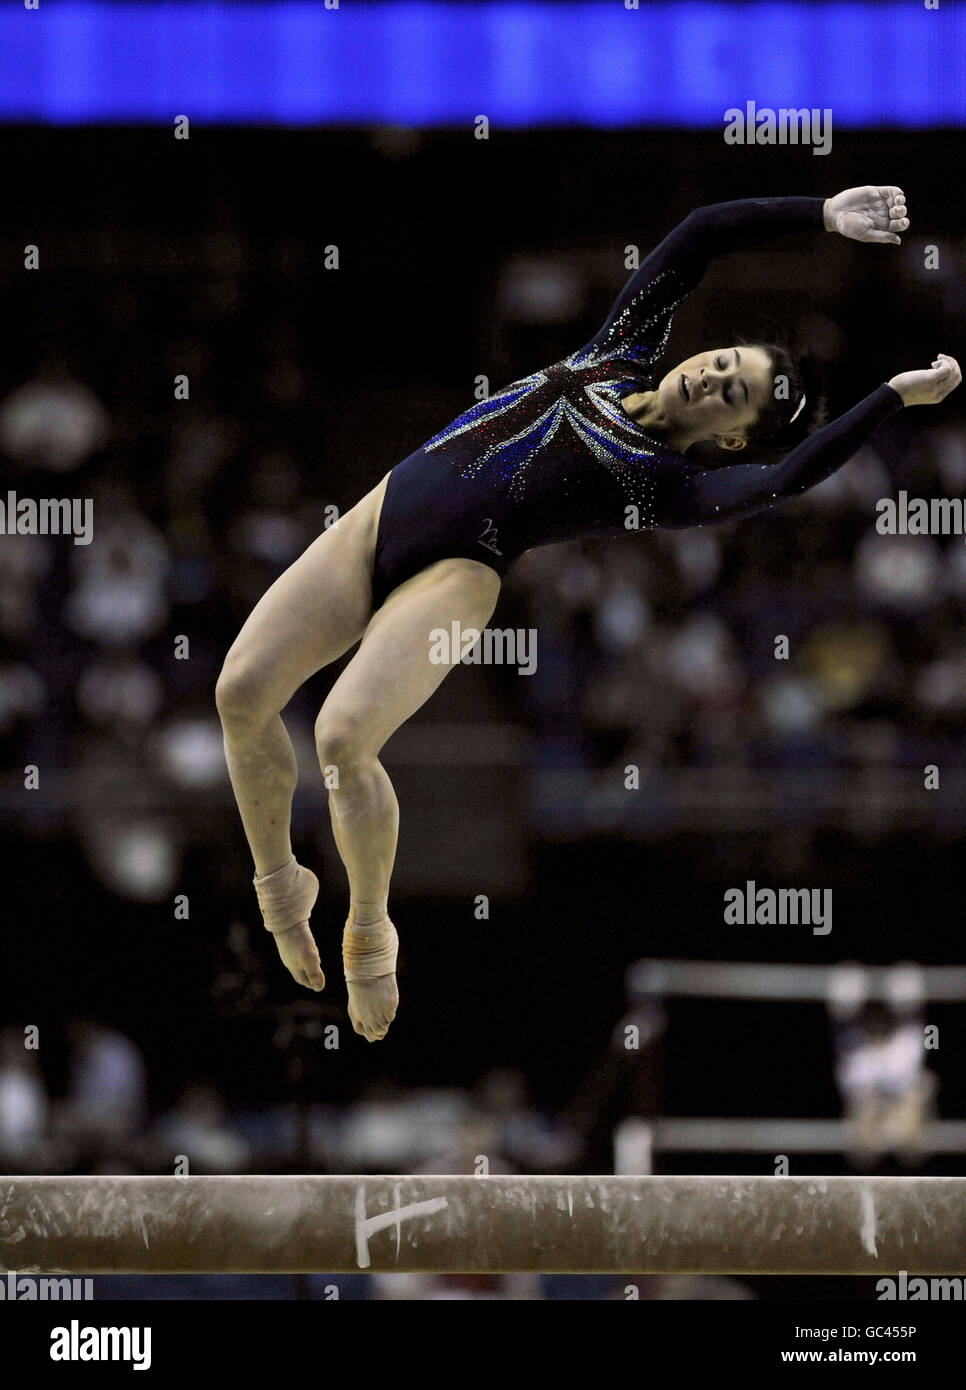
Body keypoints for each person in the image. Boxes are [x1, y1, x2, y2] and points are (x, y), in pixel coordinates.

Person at [216, 185, 960, 1042]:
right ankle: (282, 887)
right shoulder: (625, 348)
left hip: (460, 573)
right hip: (378, 516)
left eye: (732, 395)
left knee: (343, 738)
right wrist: (823, 213)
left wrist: (891, 399)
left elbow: (783, 479)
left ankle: (370, 927)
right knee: (240, 692)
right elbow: (701, 233)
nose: (712, 374)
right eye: (724, 361)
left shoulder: (664, 483)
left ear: (725, 438)